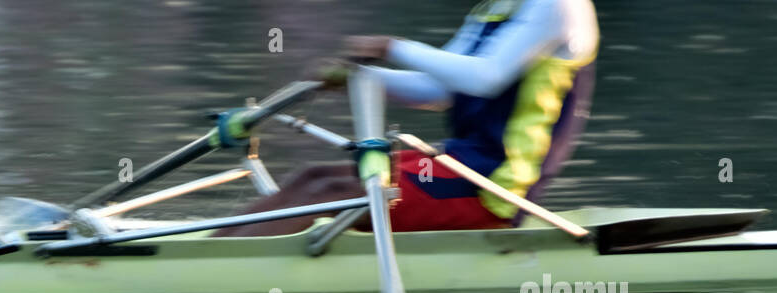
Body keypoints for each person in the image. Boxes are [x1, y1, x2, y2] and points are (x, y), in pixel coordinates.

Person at [216, 0, 599, 237]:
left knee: (326, 195)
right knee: (312, 178)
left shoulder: (558, 6)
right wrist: (359, 77)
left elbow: (485, 78)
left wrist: (391, 48)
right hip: (461, 163)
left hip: (496, 189)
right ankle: (207, 251)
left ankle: (219, 273)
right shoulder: (495, 7)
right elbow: (440, 90)